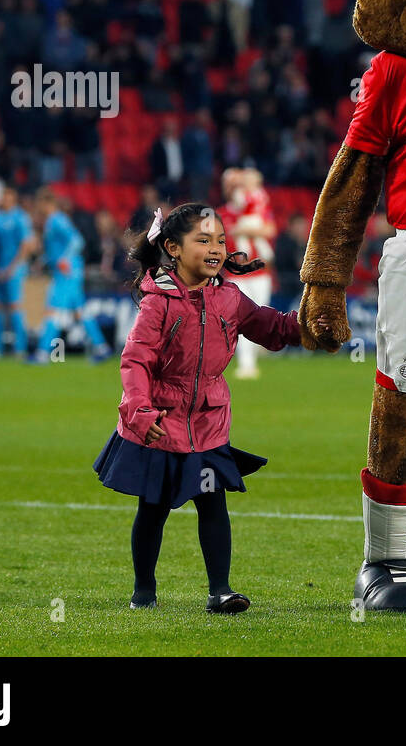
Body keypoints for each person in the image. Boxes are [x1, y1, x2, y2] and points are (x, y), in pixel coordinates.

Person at [92, 203, 300, 612]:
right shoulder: (157, 302)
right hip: (159, 422)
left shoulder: (229, 297)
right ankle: (144, 592)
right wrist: (139, 410)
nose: (216, 248)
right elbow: (135, 361)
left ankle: (219, 591)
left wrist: (309, 325)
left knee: (213, 503)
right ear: (172, 247)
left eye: (220, 240)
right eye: (203, 240)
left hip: (208, 422)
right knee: (152, 510)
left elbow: (271, 328)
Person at [33, 187, 110, 363]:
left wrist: (64, 260)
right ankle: (102, 348)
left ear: (47, 203)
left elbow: (77, 241)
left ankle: (43, 353)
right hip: (69, 271)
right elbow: (57, 248)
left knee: (52, 310)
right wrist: (44, 261)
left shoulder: (57, 220)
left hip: (66, 273)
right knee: (80, 312)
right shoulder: (53, 221)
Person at [219, 168, 277, 379]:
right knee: (242, 319)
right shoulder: (222, 213)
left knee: (260, 318)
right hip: (236, 275)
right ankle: (246, 364)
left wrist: (243, 230)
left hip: (261, 274)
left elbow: (270, 229)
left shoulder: (255, 208)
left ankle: (253, 355)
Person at [0, 185, 34, 359]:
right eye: (3, 197)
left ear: (13, 199)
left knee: (15, 307)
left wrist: (12, 268)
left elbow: (25, 246)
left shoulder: (20, 217)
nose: (5, 200)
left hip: (15, 269)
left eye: (8, 197)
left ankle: (20, 348)